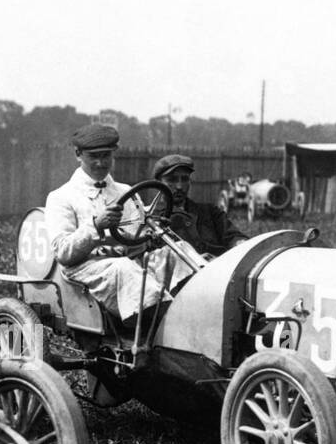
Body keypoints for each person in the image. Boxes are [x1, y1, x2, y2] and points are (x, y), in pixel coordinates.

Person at [43, 123, 187, 330]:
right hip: (85, 267)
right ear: (78, 154)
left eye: (106, 156)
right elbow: (63, 253)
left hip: (126, 260)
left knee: (175, 251)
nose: (101, 163)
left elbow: (135, 240)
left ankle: (194, 305)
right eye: (94, 156)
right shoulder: (61, 197)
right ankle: (164, 326)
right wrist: (96, 226)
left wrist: (149, 237)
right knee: (123, 268)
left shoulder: (125, 191)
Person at [148, 153, 247, 256]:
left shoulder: (210, 212)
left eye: (185, 179)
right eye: (172, 180)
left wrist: (241, 243)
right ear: (158, 183)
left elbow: (233, 236)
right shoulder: (153, 220)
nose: (179, 186)